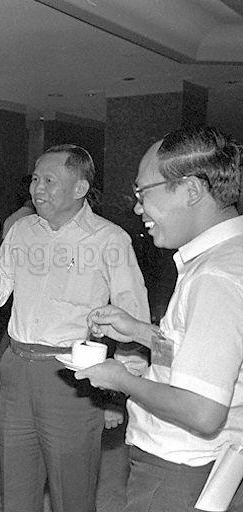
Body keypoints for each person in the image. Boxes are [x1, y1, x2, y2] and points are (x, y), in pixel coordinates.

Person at [0, 144, 150, 512]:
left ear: (80, 188)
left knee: (73, 494)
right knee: (17, 492)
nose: (38, 189)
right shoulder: (22, 231)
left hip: (72, 379)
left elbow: (135, 319)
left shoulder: (110, 240)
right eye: (36, 179)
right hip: (17, 371)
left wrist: (115, 396)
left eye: (49, 181)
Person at [78, 126, 243, 512]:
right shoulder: (228, 256)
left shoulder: (215, 277)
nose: (138, 209)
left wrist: (121, 379)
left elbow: (202, 411)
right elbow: (214, 357)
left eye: (142, 193)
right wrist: (141, 332)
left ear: (189, 190)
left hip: (182, 469)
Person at [0, 174, 35, 390]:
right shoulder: (28, 222)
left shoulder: (12, 219)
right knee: (14, 330)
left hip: (10, 281)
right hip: (22, 283)